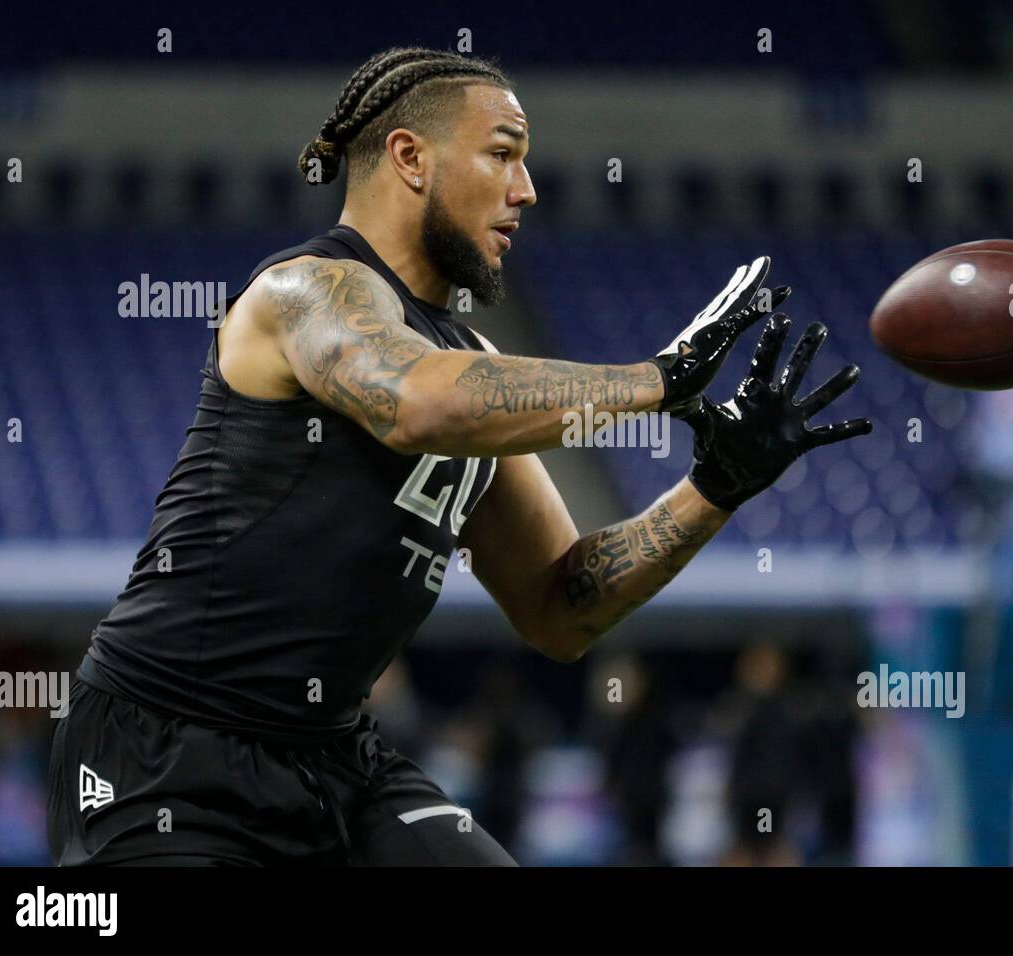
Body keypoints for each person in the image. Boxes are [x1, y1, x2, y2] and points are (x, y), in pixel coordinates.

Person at [47, 46, 871, 866]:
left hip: (333, 755)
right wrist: (658, 380)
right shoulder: (304, 290)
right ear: (410, 157)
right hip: (165, 750)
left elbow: (560, 605)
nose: (527, 190)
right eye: (503, 154)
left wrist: (715, 486)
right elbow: (414, 404)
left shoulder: (466, 353)